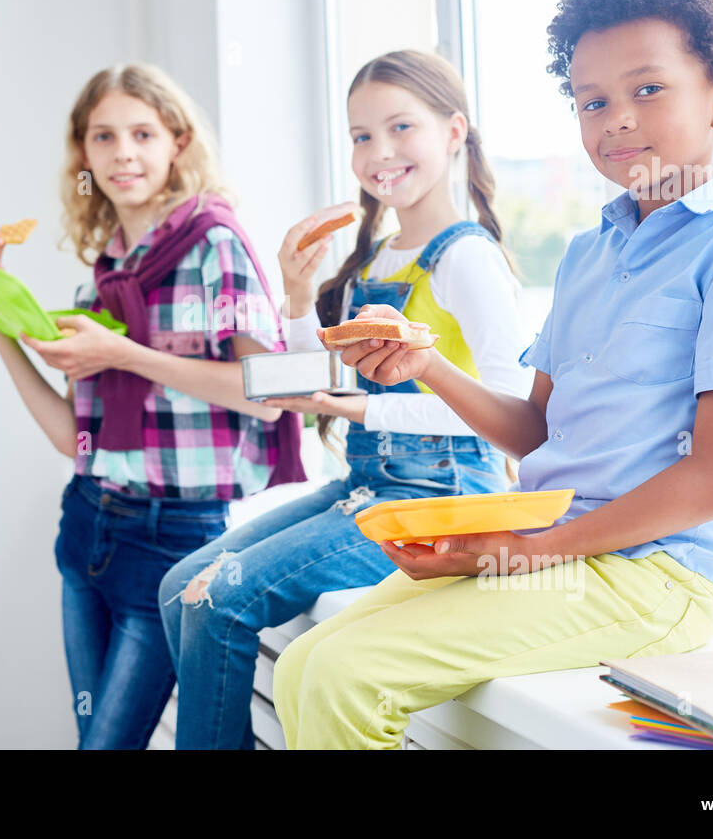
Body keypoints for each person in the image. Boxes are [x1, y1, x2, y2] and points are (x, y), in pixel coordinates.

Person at [272, 0, 713, 749]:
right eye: (592, 101)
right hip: (561, 544)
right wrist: (429, 367)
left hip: (658, 575)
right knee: (301, 667)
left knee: (350, 675)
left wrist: (534, 552)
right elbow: (538, 433)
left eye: (648, 89)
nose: (618, 119)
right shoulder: (587, 255)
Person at [158, 50, 529, 749]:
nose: (378, 152)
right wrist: (297, 293)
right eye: (361, 135)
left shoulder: (466, 258)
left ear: (454, 133)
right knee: (182, 588)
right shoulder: (381, 255)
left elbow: (506, 408)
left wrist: (356, 409)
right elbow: (321, 382)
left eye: (399, 128)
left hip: (438, 497)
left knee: (216, 604)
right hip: (364, 486)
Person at [0, 62, 303, 749]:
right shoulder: (106, 277)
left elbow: (270, 397)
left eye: (142, 133)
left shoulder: (214, 246)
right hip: (87, 528)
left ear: (177, 141)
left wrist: (124, 356)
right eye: (103, 137)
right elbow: (69, 436)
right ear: (82, 154)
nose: (123, 153)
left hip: (175, 539)